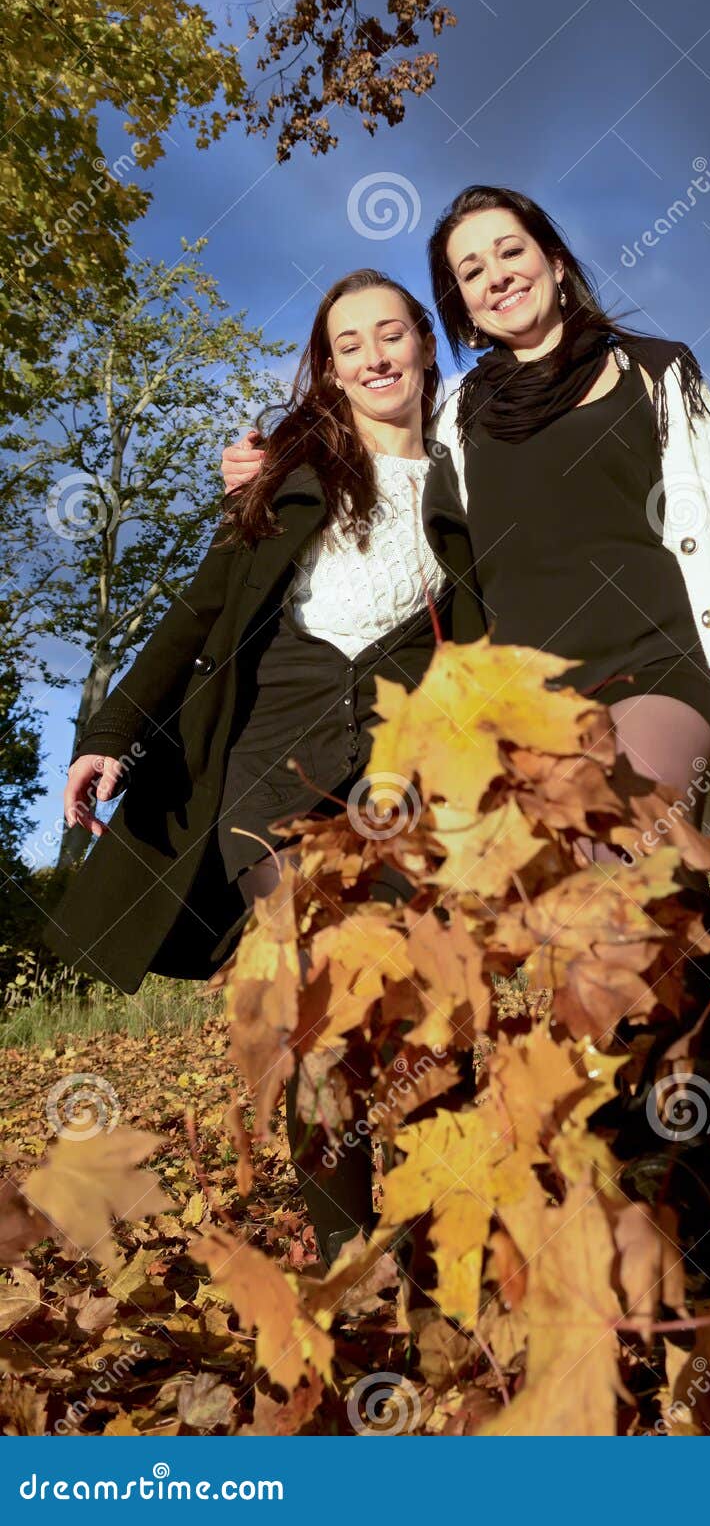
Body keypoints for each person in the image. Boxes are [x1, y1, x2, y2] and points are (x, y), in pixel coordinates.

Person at [220, 186, 710, 1296]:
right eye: (469, 268)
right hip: (523, 710)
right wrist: (272, 475)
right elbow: (374, 469)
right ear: (457, 298)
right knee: (566, 945)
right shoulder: (456, 414)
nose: (495, 275)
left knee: (623, 865)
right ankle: (595, 1186)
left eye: (510, 251)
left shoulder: (654, 369)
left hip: (652, 671)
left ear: (551, 256)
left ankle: (679, 1201)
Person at [43, 269, 486, 1268]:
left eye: (390, 334)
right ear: (329, 368)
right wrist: (108, 731)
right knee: (311, 1001)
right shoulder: (290, 482)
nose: (373, 356)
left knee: (421, 1005)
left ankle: (439, 1234)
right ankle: (349, 1256)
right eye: (347, 343)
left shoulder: (473, 476)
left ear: (423, 343)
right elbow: (198, 614)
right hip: (270, 774)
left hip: (406, 775)